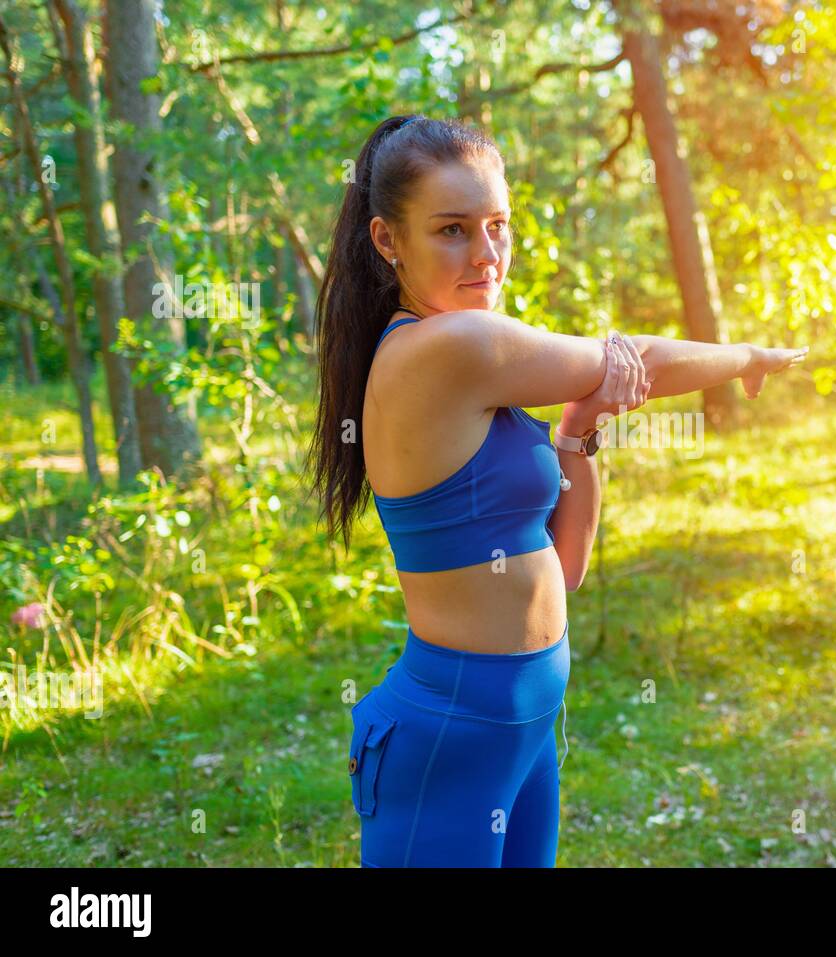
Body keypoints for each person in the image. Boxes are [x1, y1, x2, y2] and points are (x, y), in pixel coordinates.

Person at [305, 114, 808, 867]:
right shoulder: (450, 347)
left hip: (528, 722)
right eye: (452, 230)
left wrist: (575, 433)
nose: (487, 255)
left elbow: (564, 568)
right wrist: (744, 356)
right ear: (387, 241)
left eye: (498, 225)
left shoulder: (474, 357)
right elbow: (631, 358)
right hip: (454, 730)